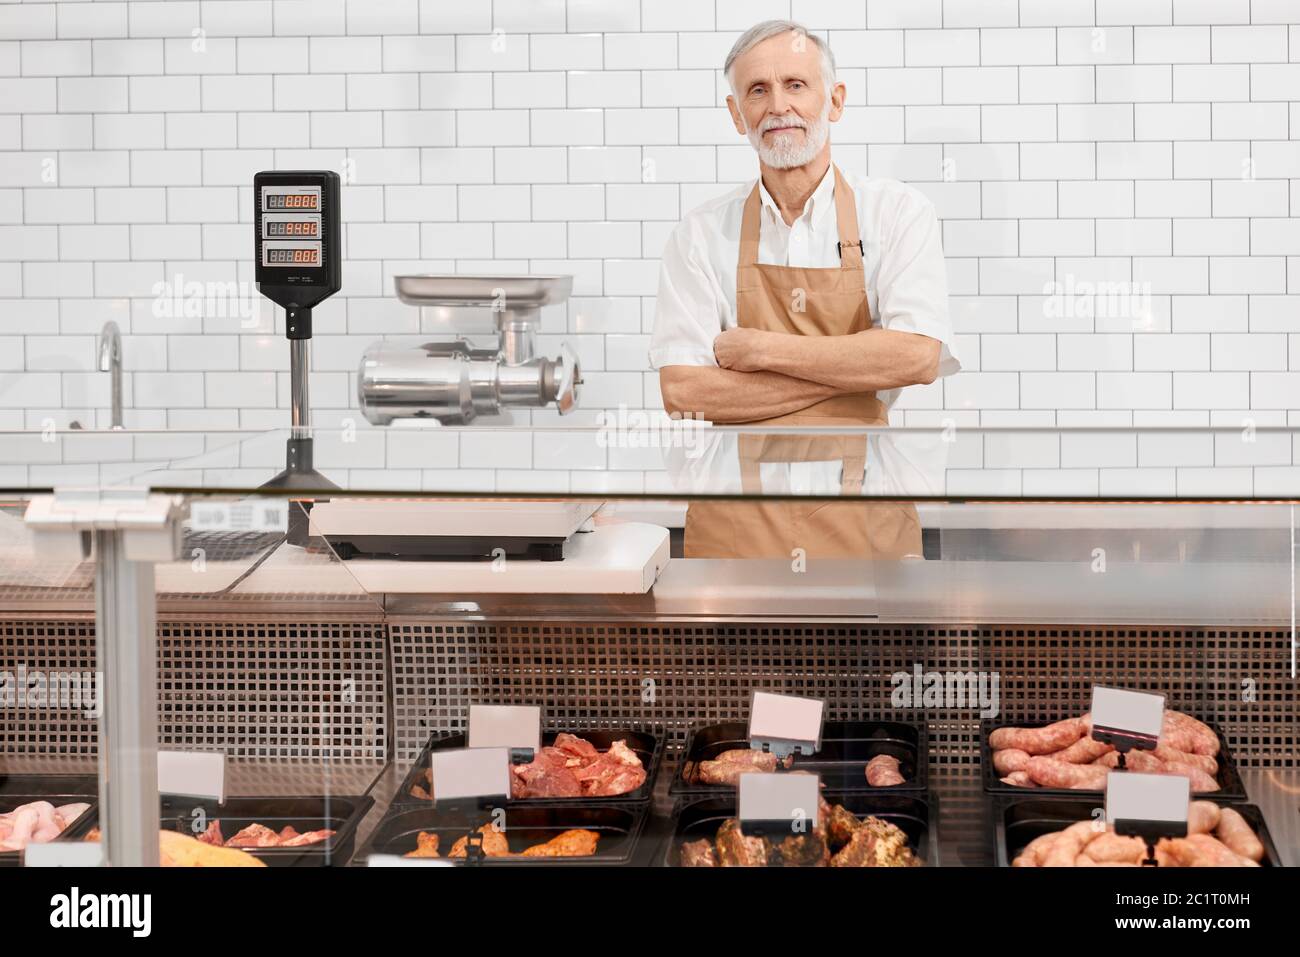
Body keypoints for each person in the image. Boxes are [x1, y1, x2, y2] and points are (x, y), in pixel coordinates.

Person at [650, 19, 961, 560]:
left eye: (796, 85)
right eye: (757, 90)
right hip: (735, 541)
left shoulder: (897, 214)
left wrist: (759, 351)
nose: (777, 106)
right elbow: (686, 393)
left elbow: (916, 357)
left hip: (865, 536)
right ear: (735, 114)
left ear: (834, 101)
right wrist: (857, 373)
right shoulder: (700, 234)